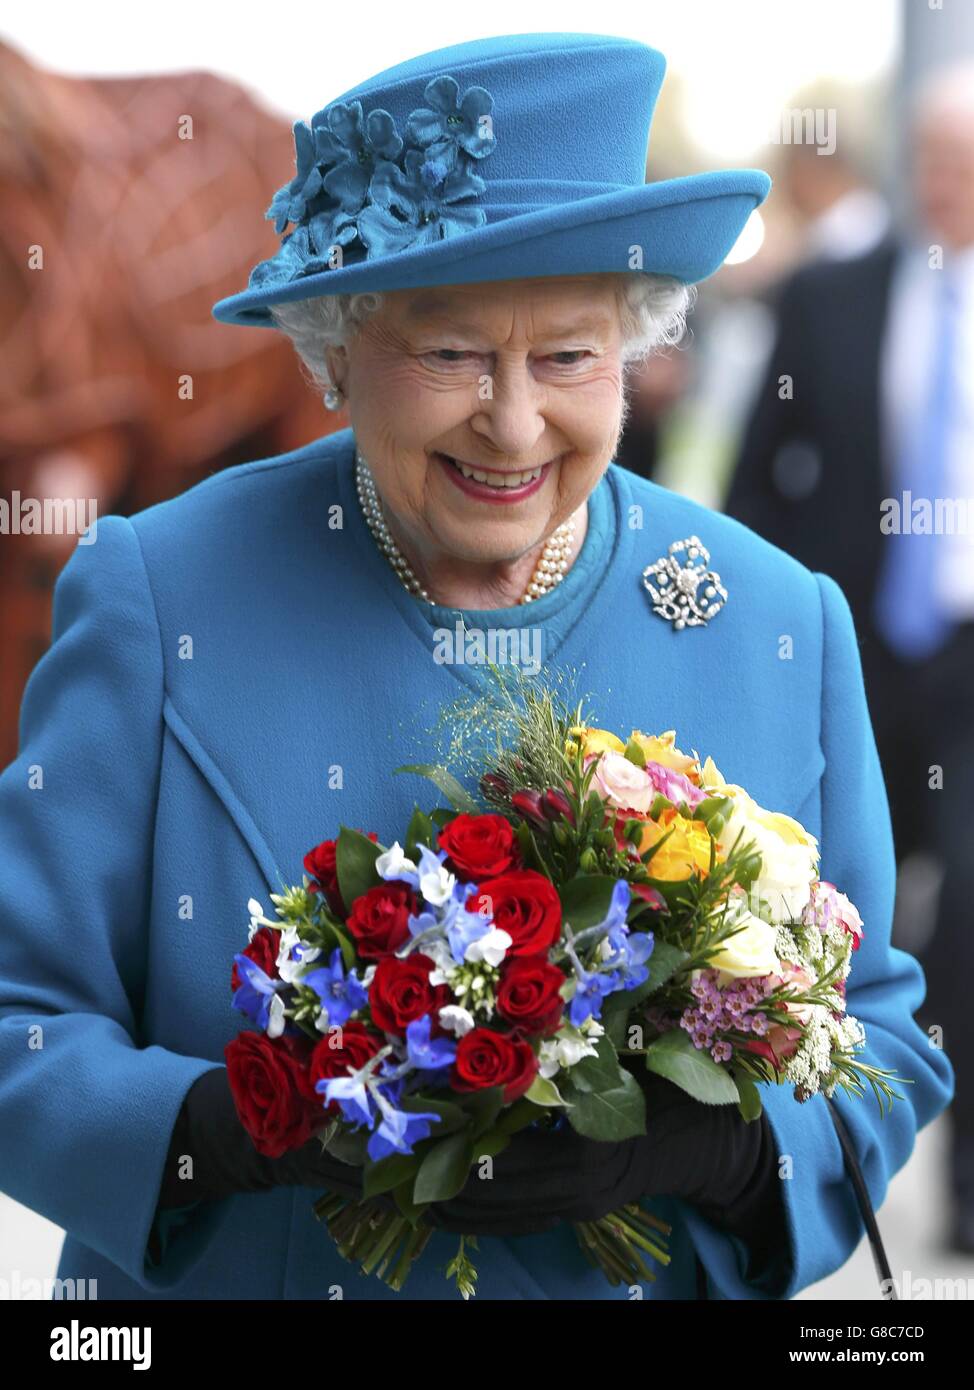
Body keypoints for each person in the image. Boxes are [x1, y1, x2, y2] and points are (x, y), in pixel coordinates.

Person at [0, 32, 953, 1301]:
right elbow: (21, 1016)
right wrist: (217, 1136)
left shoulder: (777, 618)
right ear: (337, 349)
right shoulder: (161, 591)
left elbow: (885, 1036)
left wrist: (736, 1153)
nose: (512, 424)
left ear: (635, 343)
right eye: (449, 354)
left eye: (566, 355)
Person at [725, 62, 974, 1253]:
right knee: (826, 916)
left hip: (972, 664)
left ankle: (966, 1187)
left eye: (965, 168)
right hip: (857, 658)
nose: (946, 188)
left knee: (971, 906)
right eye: (930, 164)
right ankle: (804, 1150)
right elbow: (751, 480)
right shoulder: (826, 296)